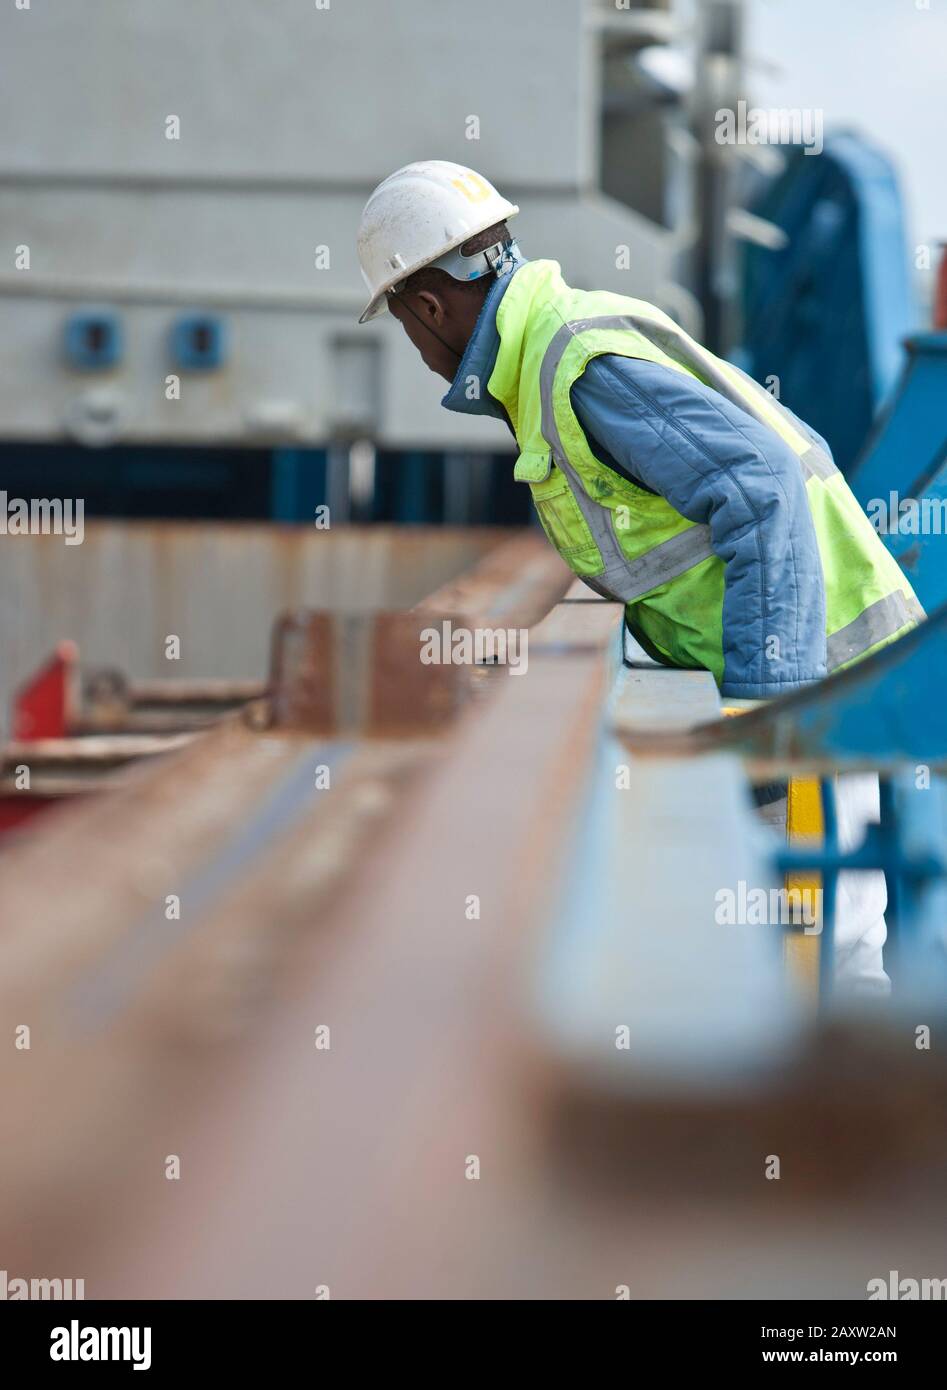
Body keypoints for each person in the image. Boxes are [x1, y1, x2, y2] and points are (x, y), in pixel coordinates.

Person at [356, 160, 925, 996]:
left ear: (429, 305)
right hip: (813, 678)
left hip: (817, 685)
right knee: (810, 955)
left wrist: (769, 716)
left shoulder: (575, 364)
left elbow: (759, 488)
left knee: (826, 966)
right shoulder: (558, 345)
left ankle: (853, 1123)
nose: (414, 346)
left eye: (403, 321)